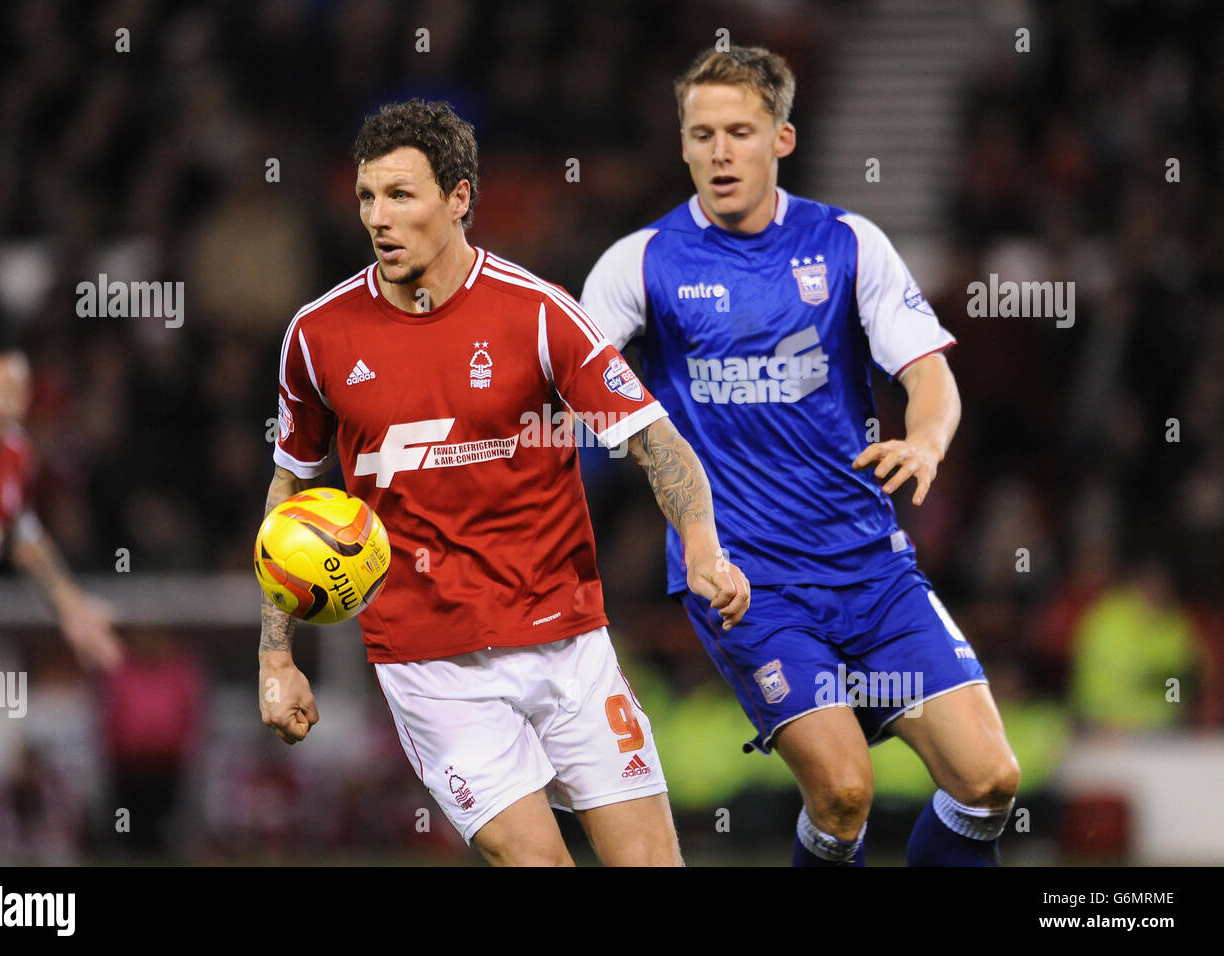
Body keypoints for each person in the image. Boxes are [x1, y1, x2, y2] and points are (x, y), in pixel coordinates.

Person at [258, 98, 750, 866]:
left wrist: (702, 545)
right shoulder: (318, 338)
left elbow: (658, 443)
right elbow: (289, 492)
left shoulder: (539, 316)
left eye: (401, 195)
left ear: (459, 200)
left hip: (567, 643)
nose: (378, 218)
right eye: (366, 197)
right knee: (539, 863)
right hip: (428, 664)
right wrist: (276, 656)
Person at [581, 46, 1020, 866]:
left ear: (782, 138)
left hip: (871, 566)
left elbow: (929, 374)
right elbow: (571, 390)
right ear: (680, 143)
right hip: (749, 580)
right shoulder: (638, 265)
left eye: (740, 132)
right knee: (845, 791)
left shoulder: (848, 244)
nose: (719, 152)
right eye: (701, 133)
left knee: (990, 782)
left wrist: (925, 440)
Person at [0, 345, 123, 866]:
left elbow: (23, 533)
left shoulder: (16, 453)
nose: (5, 404)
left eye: (16, 391)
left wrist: (73, 608)